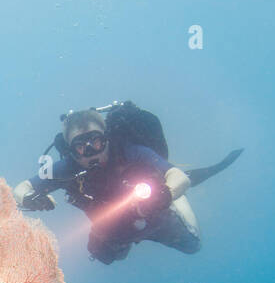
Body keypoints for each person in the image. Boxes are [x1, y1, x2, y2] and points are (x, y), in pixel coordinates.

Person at [13, 102, 242, 264]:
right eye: (81, 146)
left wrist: (167, 195)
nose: (91, 151)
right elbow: (21, 188)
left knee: (194, 246)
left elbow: (179, 177)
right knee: (103, 258)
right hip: (112, 229)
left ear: (107, 139)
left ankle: (178, 205)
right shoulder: (66, 168)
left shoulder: (131, 152)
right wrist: (28, 198)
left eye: (96, 141)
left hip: (154, 217)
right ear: (71, 150)